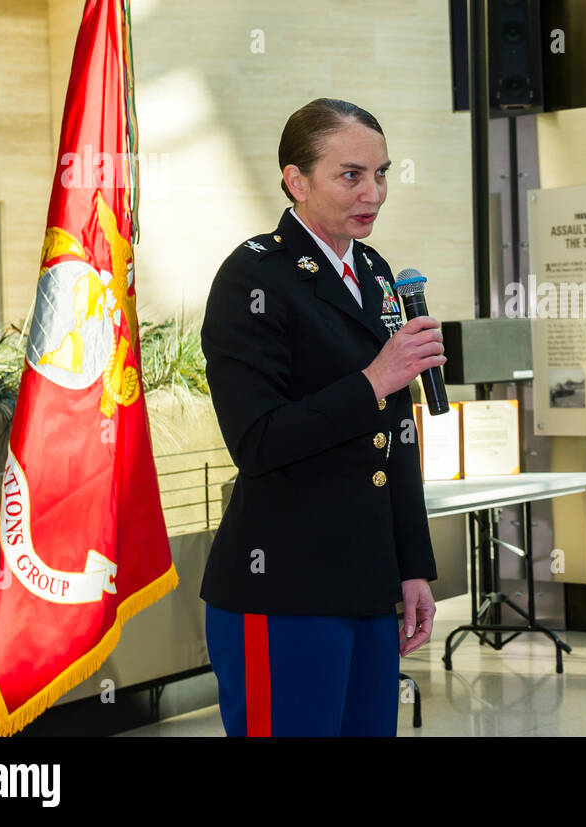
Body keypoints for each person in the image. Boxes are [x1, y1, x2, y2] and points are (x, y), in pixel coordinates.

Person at [198, 98, 444, 736]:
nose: (374, 192)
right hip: (284, 587)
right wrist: (374, 379)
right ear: (296, 180)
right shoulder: (252, 277)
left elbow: (397, 439)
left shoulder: (375, 272)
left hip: (365, 586)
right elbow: (258, 442)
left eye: (381, 173)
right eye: (352, 174)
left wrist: (411, 565)